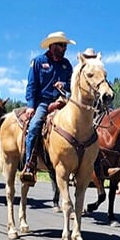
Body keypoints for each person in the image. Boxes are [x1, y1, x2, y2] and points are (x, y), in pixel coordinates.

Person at [21, 31, 76, 183]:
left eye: (65, 45)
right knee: (34, 127)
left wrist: (64, 85)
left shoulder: (66, 65)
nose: (64, 48)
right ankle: (29, 164)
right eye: (61, 45)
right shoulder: (38, 61)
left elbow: (72, 86)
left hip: (62, 101)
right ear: (52, 46)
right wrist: (31, 106)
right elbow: (31, 86)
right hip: (43, 102)